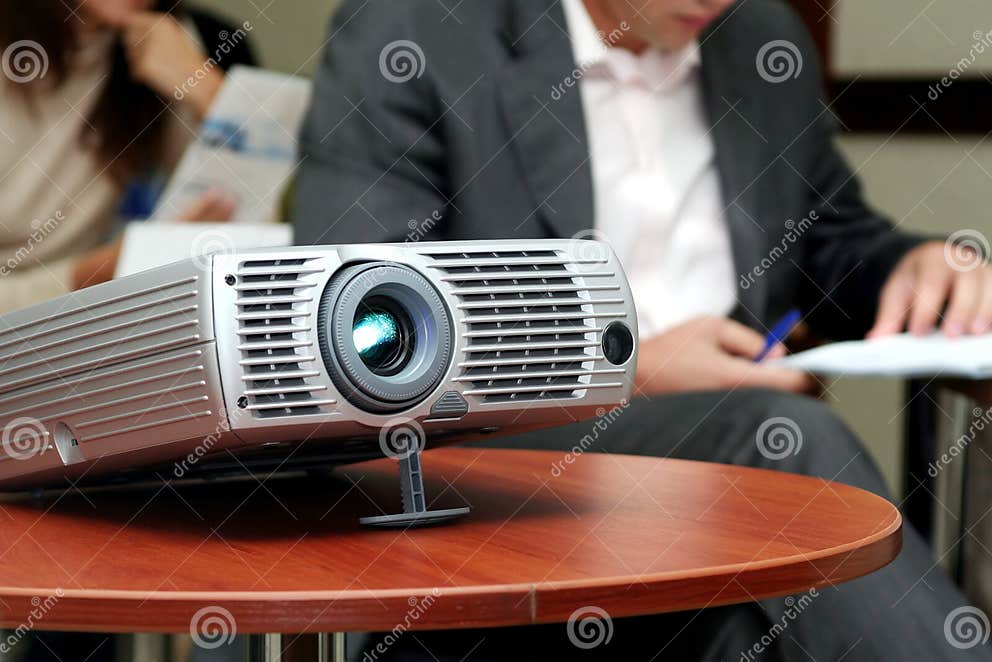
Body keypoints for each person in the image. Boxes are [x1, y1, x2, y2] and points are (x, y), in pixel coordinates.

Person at [292, 0, 992, 659]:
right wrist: (624, 369)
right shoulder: (415, 29)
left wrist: (911, 266)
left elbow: (828, 238)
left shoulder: (756, 38)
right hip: (509, 482)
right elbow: (359, 327)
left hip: (714, 537)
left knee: (752, 609)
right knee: (778, 442)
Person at [0, 0, 255, 314]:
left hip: (71, 320)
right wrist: (106, 269)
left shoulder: (166, 38)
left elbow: (254, 216)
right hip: (58, 313)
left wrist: (206, 89)